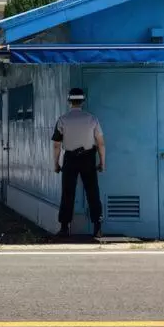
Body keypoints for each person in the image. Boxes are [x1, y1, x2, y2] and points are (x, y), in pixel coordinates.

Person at [52, 88, 106, 238]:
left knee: (67, 193)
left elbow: (56, 145)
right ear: (83, 101)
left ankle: (64, 228)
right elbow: (101, 143)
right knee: (93, 192)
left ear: (69, 101)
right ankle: (97, 227)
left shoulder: (62, 120)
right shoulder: (92, 119)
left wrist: (56, 164)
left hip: (70, 158)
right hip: (88, 158)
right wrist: (102, 162)